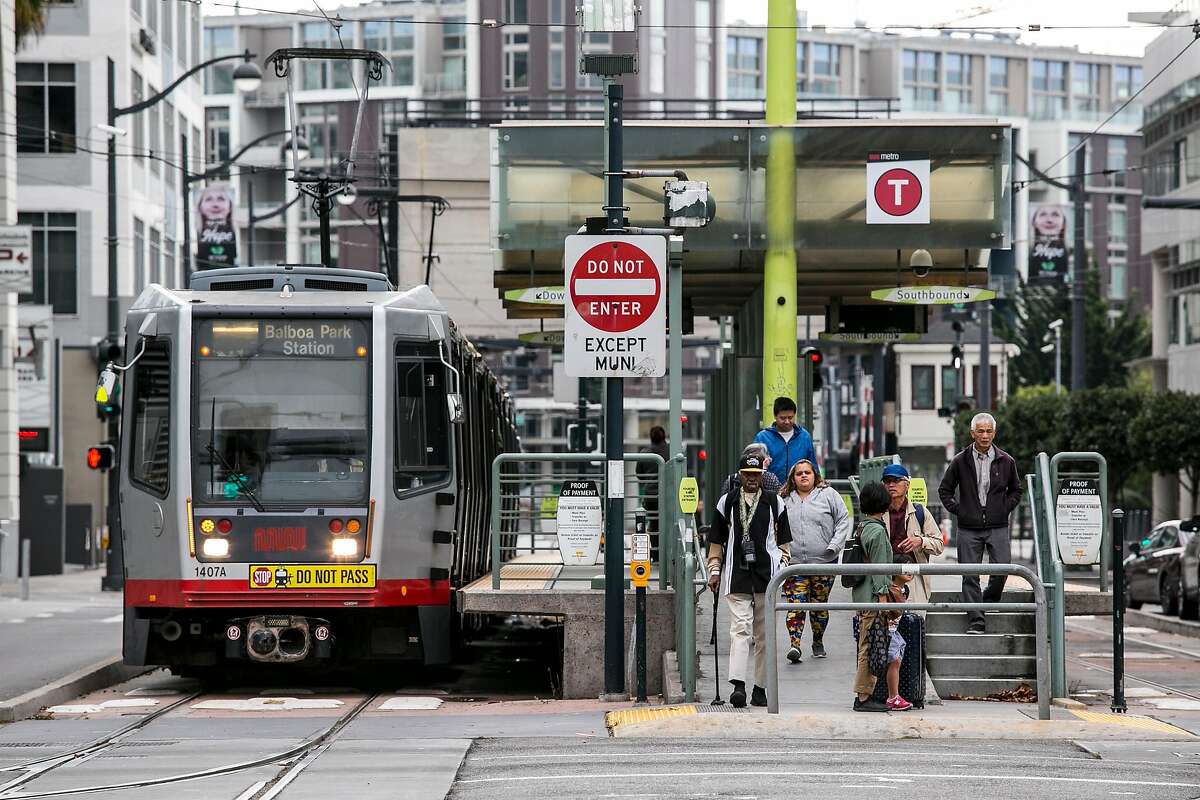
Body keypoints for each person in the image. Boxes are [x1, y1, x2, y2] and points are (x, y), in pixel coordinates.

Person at [707, 452, 792, 708]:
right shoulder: (727, 502)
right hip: (737, 576)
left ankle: (760, 688)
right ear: (740, 476)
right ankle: (738, 686)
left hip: (767, 576)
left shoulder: (775, 502)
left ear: (761, 476)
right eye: (747, 475)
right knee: (740, 630)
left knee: (765, 635)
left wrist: (783, 566)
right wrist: (714, 570)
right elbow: (716, 542)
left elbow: (784, 542)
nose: (752, 480)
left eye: (756, 475)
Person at [938, 412, 1023, 634]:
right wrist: (960, 511)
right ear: (972, 433)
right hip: (968, 528)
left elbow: (1017, 490)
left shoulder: (1006, 460)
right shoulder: (960, 460)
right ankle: (976, 620)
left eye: (989, 431)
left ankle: (987, 600)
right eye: (980, 431)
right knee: (970, 575)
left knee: (1002, 568)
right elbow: (945, 490)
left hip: (997, 525)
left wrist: (1005, 508)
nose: (985, 436)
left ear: (994, 433)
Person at [779, 458, 850, 663]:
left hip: (824, 562)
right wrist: (780, 553)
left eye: (807, 472)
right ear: (793, 478)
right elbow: (773, 526)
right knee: (796, 604)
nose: (803, 475)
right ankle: (795, 645)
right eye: (799, 473)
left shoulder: (828, 495)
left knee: (819, 605)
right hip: (794, 565)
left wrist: (834, 546)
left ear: (814, 475)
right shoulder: (784, 498)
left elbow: (843, 520)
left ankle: (818, 640)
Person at [852, 481, 895, 713]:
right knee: (868, 645)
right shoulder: (877, 531)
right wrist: (883, 598)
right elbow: (880, 567)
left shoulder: (861, 527)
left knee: (866, 643)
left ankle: (864, 693)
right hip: (873, 595)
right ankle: (863, 696)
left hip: (861, 593)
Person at [880, 464, 945, 606]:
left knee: (915, 622)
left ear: (907, 485)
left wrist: (921, 541)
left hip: (912, 577)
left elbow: (939, 545)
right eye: (887, 481)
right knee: (883, 624)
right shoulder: (877, 512)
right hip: (883, 578)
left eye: (896, 481)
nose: (891, 485)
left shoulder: (920, 512)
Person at [754, 397, 818, 487]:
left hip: (798, 490)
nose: (787, 421)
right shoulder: (763, 438)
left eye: (790, 417)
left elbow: (813, 465)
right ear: (775, 416)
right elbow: (755, 466)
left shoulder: (804, 437)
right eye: (783, 418)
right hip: (770, 491)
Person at [637, 425, 669, 559]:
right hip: (668, 495)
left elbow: (639, 474)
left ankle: (656, 555)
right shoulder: (671, 451)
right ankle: (668, 554)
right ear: (664, 436)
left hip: (651, 496)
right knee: (668, 523)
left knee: (654, 525)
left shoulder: (645, 453)